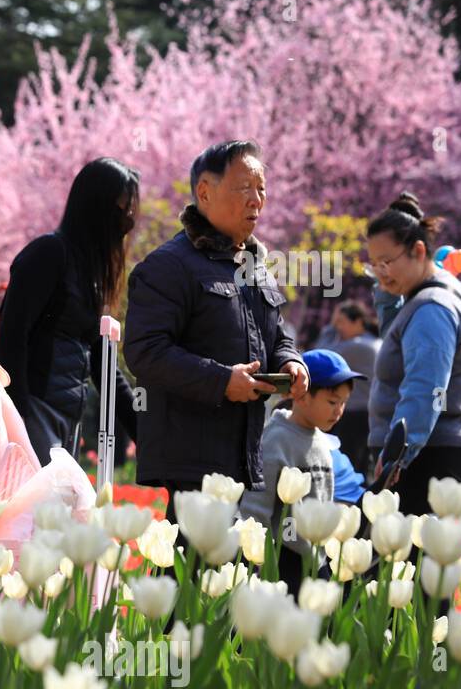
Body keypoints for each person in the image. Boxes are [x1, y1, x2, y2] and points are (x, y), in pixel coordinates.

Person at [124, 140, 307, 521]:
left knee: (219, 574)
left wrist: (290, 362)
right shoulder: (168, 266)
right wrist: (222, 380)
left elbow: (278, 336)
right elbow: (145, 352)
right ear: (204, 192)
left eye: (261, 189)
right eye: (244, 189)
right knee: (191, 571)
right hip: (191, 454)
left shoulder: (255, 266)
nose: (257, 200)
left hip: (241, 449)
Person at [0, 157, 140, 462]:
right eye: (122, 208)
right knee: (43, 508)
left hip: (67, 415)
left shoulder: (90, 275)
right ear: (97, 207)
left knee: (60, 509)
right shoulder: (48, 254)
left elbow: (102, 361)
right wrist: (19, 415)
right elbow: (11, 336)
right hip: (35, 410)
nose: (128, 220)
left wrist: (144, 431)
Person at [365, 192, 461, 514]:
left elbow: (427, 386)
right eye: (373, 264)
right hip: (426, 451)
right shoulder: (418, 301)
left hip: (430, 454)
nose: (380, 272)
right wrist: (386, 289)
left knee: (402, 564)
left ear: (418, 250)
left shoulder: (432, 308)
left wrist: (398, 456)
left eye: (387, 262)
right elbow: (393, 333)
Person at [239, 349, 362, 593]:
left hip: (316, 556)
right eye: (332, 402)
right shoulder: (277, 439)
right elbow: (257, 507)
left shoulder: (322, 441)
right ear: (302, 394)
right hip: (284, 559)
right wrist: (259, 563)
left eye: (344, 403)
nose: (338, 411)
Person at [325, 300, 380, 475]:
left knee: (349, 467)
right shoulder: (373, 342)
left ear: (357, 322)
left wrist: (330, 329)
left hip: (354, 415)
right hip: (367, 414)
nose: (337, 326)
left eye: (341, 321)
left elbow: (321, 353)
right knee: (360, 467)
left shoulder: (358, 346)